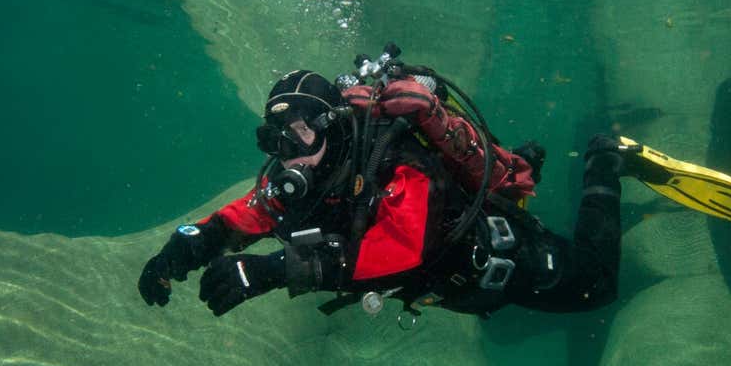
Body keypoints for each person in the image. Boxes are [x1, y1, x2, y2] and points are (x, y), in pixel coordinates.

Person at [136, 50, 629, 319]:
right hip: (450, 293)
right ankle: (525, 160)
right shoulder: (299, 178)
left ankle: (604, 162)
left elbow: (401, 248)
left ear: (330, 126)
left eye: (300, 134)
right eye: (276, 139)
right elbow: (238, 218)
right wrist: (177, 253)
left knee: (596, 285)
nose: (288, 154)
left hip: (497, 259)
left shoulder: (393, 159)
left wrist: (273, 270)